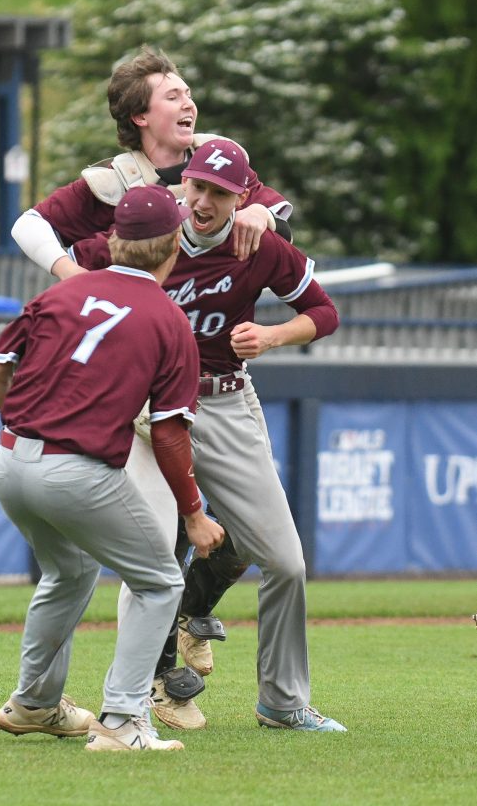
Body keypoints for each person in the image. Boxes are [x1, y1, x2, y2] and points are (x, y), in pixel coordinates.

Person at [12, 46, 292, 730]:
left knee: (237, 541)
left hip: (215, 383)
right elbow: (28, 223)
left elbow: (276, 216)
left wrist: (267, 215)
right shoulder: (116, 181)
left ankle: (178, 634)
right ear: (140, 116)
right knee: (156, 544)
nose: (186, 101)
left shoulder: (218, 158)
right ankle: (139, 692)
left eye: (187, 90)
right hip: (142, 378)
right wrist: (68, 273)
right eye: (171, 94)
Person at [69, 137, 347, 732]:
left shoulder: (259, 245)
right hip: (146, 409)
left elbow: (324, 313)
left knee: (286, 561)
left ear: (241, 196)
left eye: (219, 192)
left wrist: (272, 336)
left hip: (222, 401)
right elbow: (70, 258)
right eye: (196, 185)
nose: (202, 200)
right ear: (183, 182)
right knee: (150, 554)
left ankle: (282, 701)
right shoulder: (156, 236)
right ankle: (134, 697)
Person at [0, 184, 224, 752]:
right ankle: (122, 722)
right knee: (161, 582)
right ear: (173, 248)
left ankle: (34, 704)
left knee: (69, 573)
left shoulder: (61, 293)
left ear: (113, 240)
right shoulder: (167, 317)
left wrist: (28, 427)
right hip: (77, 472)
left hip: (10, 462)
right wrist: (192, 513)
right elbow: (167, 432)